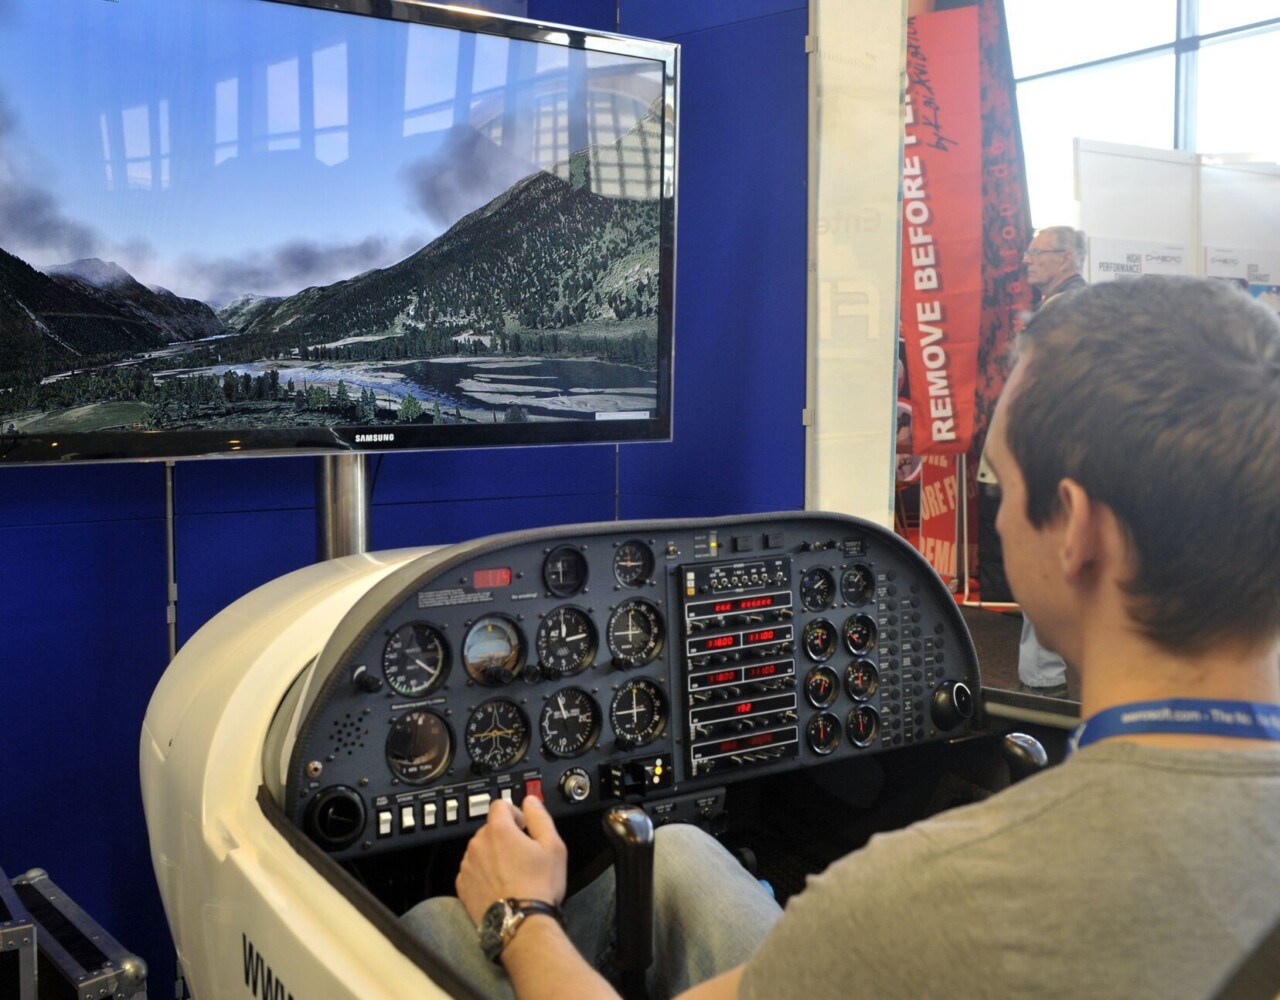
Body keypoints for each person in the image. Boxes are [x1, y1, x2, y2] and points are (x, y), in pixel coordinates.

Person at [404, 276, 1280, 999]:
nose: (996, 512)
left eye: (998, 483)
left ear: (1079, 531)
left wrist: (521, 919)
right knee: (673, 853)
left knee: (436, 927)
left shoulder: (934, 903)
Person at [1012, 225, 1089, 697]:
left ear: (1066, 258)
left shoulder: (1069, 309)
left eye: (1037, 253)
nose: (1026, 260)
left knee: (1042, 561)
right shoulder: (1071, 306)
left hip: (1057, 453)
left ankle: (1043, 675)